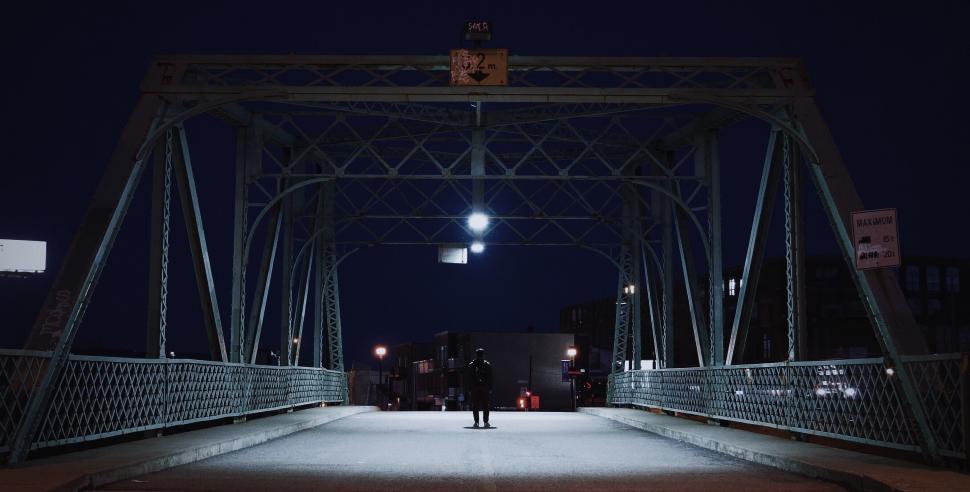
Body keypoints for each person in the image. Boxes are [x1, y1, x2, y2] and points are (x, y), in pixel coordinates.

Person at [466, 348, 493, 428]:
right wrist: (490, 388)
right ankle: (485, 422)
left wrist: (469, 388)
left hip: (475, 388)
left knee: (475, 405)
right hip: (484, 388)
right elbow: (490, 377)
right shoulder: (487, 364)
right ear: (483, 355)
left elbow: (469, 378)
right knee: (485, 405)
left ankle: (477, 422)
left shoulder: (472, 364)